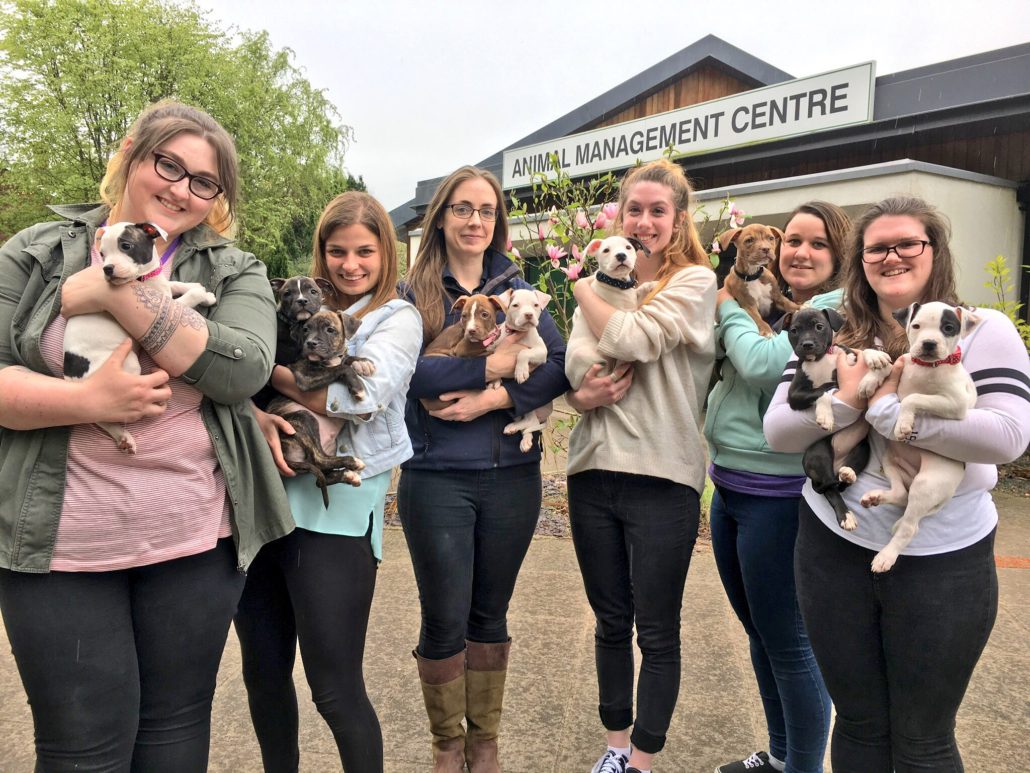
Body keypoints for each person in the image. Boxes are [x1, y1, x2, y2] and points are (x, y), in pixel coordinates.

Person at [0, 100, 293, 771]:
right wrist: (84, 399)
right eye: (169, 164)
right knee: (82, 751)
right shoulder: (36, 250)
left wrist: (111, 292)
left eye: (204, 182)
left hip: (191, 541)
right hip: (60, 547)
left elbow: (242, 369)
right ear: (132, 152)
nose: (180, 189)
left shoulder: (231, 268)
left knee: (173, 734)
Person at [764, 196, 1030, 772]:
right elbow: (779, 429)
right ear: (860, 260)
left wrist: (882, 408)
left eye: (908, 243)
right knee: (858, 724)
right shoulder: (835, 330)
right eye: (876, 247)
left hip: (944, 559)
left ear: (935, 252)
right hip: (834, 548)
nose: (891, 256)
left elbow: (1006, 436)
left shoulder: (983, 329)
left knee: (923, 739)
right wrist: (844, 395)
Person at [234, 191, 421, 772]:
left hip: (335, 516)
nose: (349, 264)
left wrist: (261, 370)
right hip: (261, 506)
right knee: (263, 679)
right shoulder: (290, 306)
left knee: (334, 690)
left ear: (385, 253)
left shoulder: (397, 318)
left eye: (364, 251)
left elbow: (350, 401)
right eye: (336, 251)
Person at [399, 165, 568, 772]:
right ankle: (447, 744)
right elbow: (410, 374)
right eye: (463, 208)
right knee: (444, 614)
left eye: (487, 211)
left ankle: (484, 742)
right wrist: (494, 366)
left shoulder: (519, 288)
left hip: (510, 479)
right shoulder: (412, 294)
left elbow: (560, 366)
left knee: (490, 614)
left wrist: (493, 399)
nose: (475, 221)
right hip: (436, 476)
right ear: (441, 215)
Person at [565, 158, 717, 773]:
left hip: (665, 474)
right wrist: (580, 394)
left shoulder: (694, 283)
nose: (645, 221)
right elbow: (573, 364)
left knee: (656, 631)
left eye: (658, 210)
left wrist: (579, 289)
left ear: (678, 219)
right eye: (635, 210)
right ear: (618, 220)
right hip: (594, 468)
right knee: (609, 622)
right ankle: (616, 747)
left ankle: (645, 760)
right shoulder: (607, 284)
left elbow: (634, 340)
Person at [705, 202, 852, 773]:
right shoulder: (762, 292)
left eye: (817, 244)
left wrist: (725, 309)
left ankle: (804, 767)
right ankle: (782, 754)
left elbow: (766, 364)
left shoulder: (832, 310)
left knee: (791, 642)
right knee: (761, 634)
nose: (798, 252)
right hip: (731, 482)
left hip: (782, 492)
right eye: (792, 239)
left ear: (838, 256)